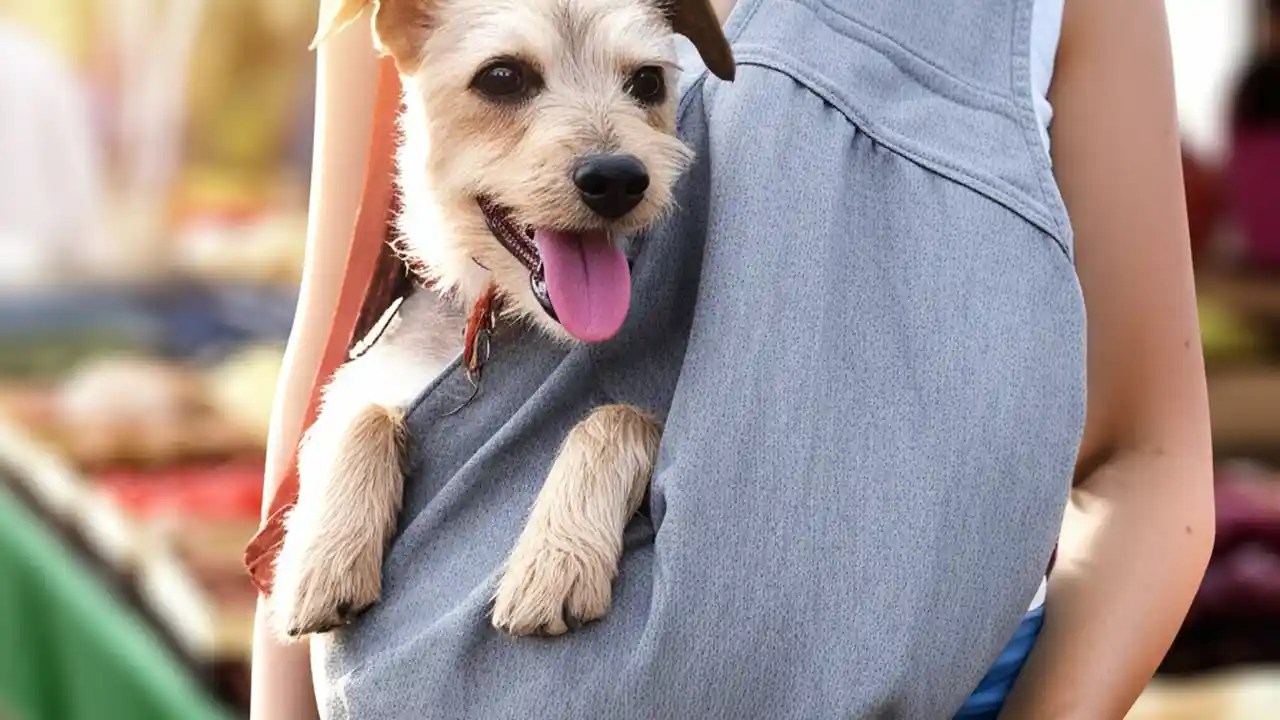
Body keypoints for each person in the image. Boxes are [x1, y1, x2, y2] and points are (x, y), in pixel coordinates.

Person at [249, 0, 1213, 717]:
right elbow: (339, 342)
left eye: (646, 83)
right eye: (508, 81)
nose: (608, 153)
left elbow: (1148, 455)